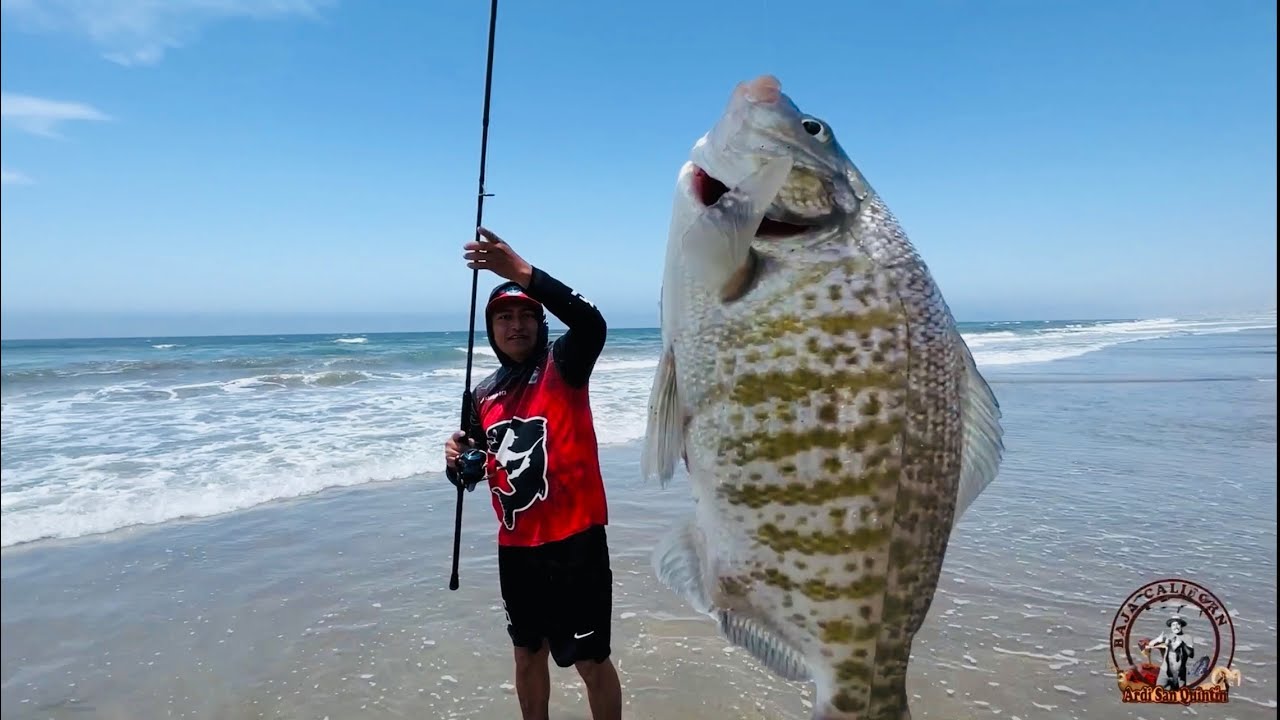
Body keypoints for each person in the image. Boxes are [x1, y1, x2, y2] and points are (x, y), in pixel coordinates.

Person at [443, 226, 622, 720]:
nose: (516, 325)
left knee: (590, 660)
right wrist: (456, 460)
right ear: (491, 329)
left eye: (526, 315)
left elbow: (592, 324)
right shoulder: (482, 395)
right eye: (504, 317)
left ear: (541, 323)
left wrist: (521, 272)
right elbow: (471, 474)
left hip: (575, 543)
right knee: (526, 655)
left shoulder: (564, 362)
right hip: (516, 551)